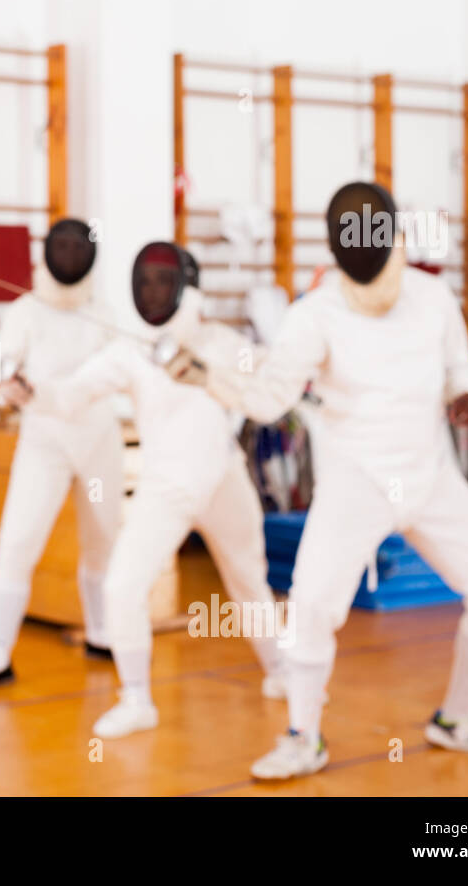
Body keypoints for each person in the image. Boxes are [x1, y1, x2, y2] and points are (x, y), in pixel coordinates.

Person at [173, 181, 468, 779]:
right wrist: (209, 377)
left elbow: (456, 364)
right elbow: (266, 400)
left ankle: (458, 719)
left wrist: (463, 393)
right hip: (355, 481)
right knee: (311, 605)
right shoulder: (313, 315)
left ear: (395, 236)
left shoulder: (432, 295)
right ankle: (303, 736)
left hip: (429, 476)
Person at [54, 242, 285, 738]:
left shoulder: (221, 342)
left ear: (186, 288)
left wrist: (208, 370)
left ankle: (281, 672)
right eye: (147, 281)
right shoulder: (130, 351)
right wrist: (26, 391)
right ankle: (136, 699)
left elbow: (273, 376)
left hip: (224, 476)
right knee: (121, 586)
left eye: (164, 281)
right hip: (167, 489)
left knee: (249, 580)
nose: (154, 290)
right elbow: (70, 394)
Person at [0, 219, 124, 691]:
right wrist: (6, 387)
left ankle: (103, 636)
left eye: (77, 248)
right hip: (43, 441)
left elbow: (113, 377)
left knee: (103, 540)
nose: (68, 256)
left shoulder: (105, 312)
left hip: (98, 439)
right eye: (60, 247)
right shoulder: (25, 311)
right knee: (17, 540)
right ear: (46, 253)